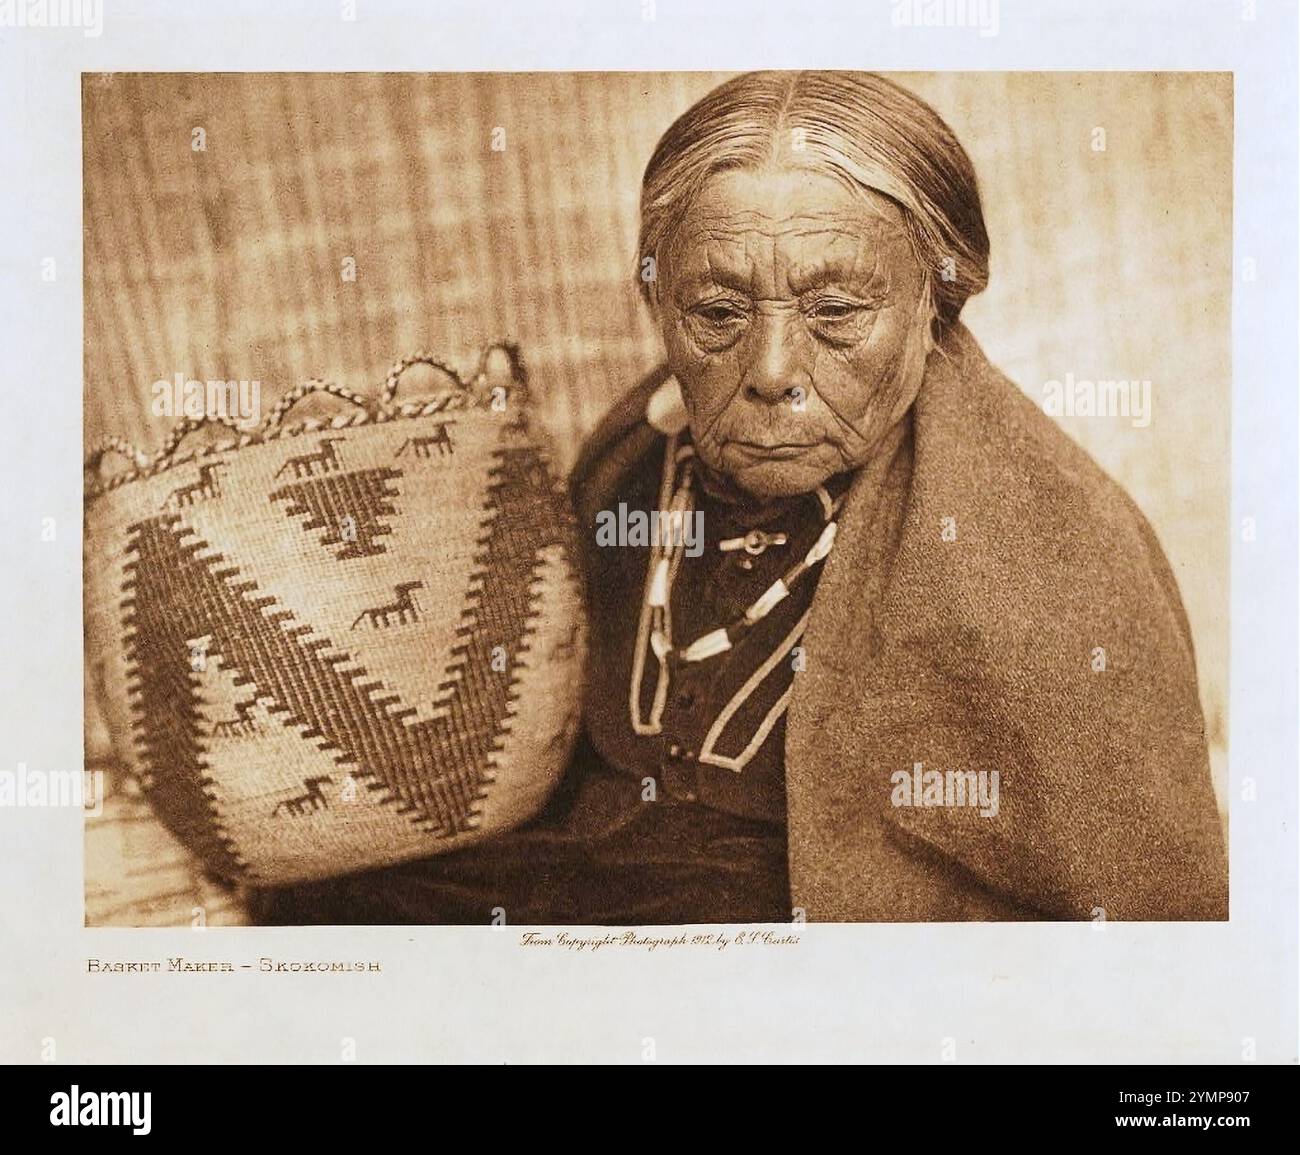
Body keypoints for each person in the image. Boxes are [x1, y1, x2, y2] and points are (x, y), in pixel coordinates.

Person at [252, 70, 1227, 925]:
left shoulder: (1045, 548)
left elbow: (1147, 910)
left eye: (836, 310)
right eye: (715, 311)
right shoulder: (630, 462)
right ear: (655, 299)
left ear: (938, 296)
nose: (769, 369)